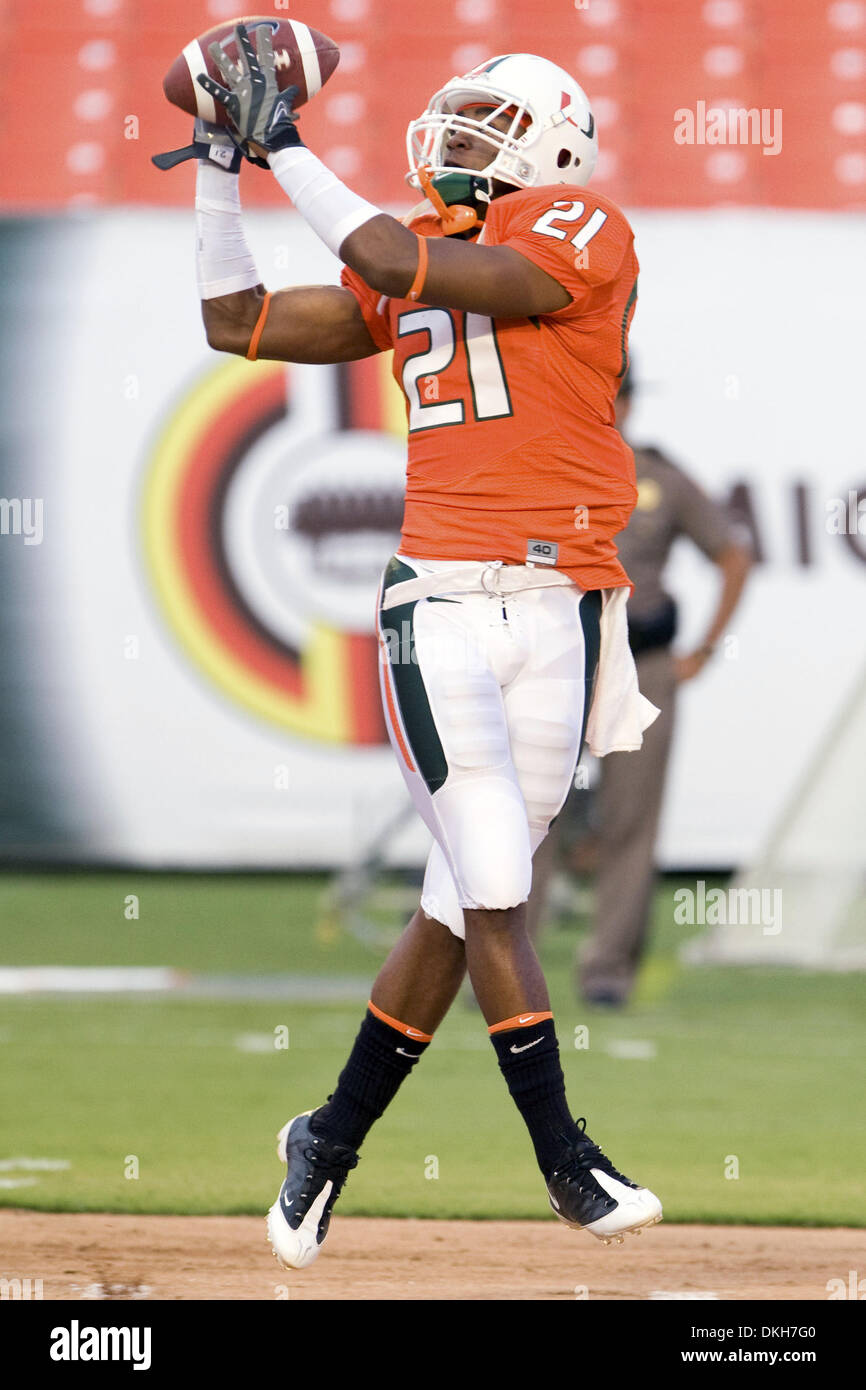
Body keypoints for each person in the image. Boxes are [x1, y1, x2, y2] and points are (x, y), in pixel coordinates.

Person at [159, 23, 663, 1269]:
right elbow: (238, 321)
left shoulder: (577, 231)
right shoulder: (413, 258)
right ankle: (567, 1161)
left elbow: (389, 252)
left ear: (549, 146)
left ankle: (325, 1138)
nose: (456, 141)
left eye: (490, 126)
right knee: (492, 874)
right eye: (458, 120)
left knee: (458, 905)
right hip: (438, 600)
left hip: (566, 613)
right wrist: (226, 163)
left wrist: (282, 141)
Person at [527, 371, 753, 1006]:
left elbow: (733, 556)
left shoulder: (660, 479)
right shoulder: (543, 470)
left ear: (626, 402)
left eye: (611, 393)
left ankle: (607, 970)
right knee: (531, 818)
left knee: (632, 820)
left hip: (644, 663)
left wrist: (703, 651)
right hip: (556, 663)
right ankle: (513, 967)